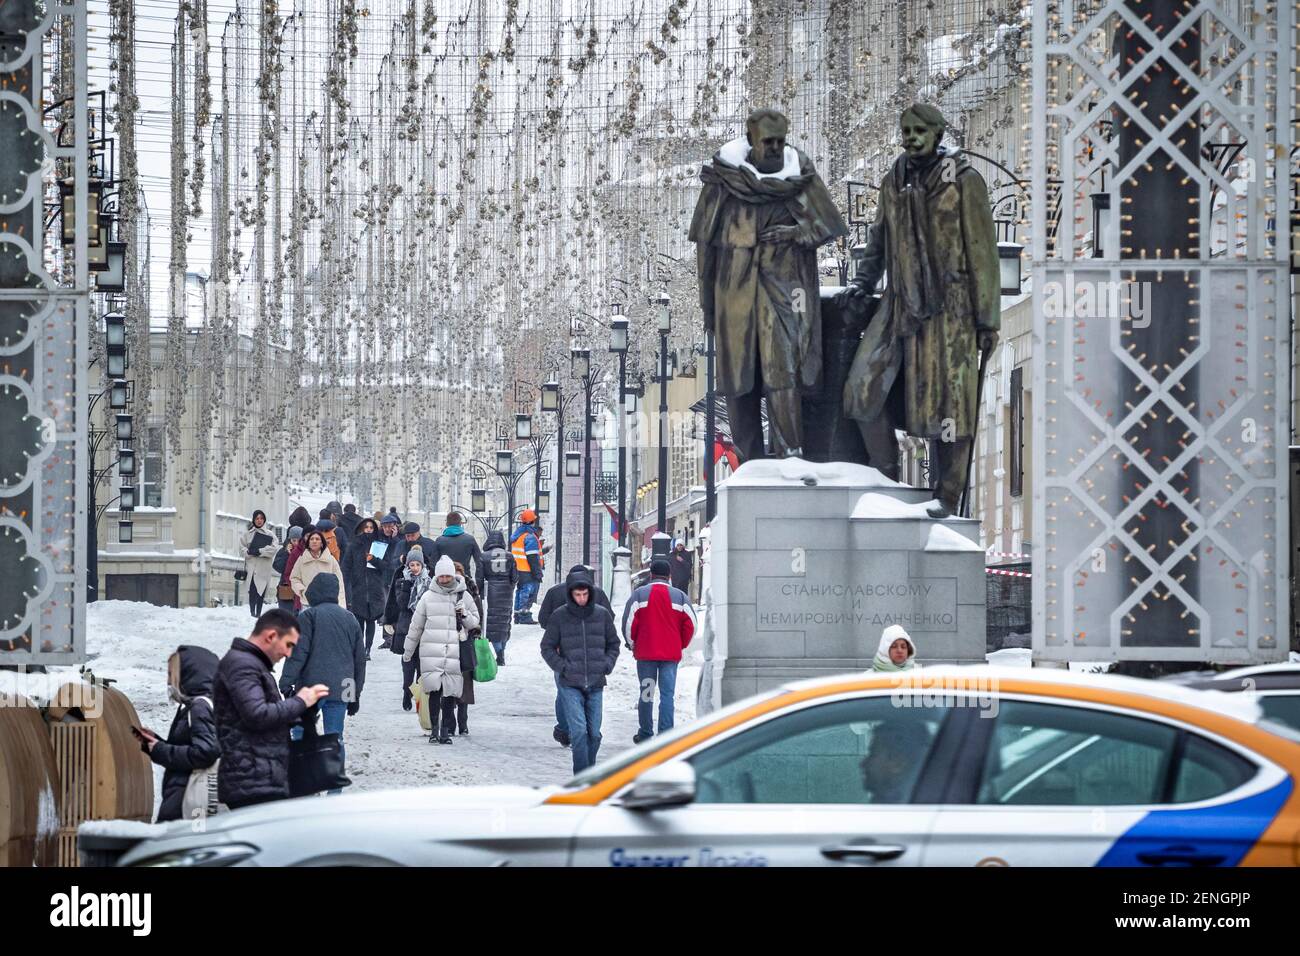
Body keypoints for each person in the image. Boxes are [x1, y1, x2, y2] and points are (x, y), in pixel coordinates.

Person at [840, 102, 1000, 516]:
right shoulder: (894, 179)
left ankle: (947, 496)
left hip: (953, 310)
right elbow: (879, 240)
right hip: (899, 304)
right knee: (862, 390)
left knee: (951, 409)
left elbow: (983, 253)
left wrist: (987, 319)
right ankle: (887, 481)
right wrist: (862, 281)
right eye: (905, 130)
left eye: (918, 130)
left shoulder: (964, 181)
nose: (910, 137)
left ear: (937, 133)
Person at [688, 107, 848, 461]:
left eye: (779, 141)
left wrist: (797, 232)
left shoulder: (799, 175)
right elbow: (706, 248)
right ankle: (749, 461)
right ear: (751, 141)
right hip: (735, 292)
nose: (775, 148)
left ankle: (788, 452)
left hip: (787, 290)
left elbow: (831, 225)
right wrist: (708, 305)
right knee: (738, 382)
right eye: (767, 142)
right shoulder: (723, 181)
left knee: (783, 369)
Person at [213, 609, 329, 810]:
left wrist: (301, 713)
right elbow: (257, 715)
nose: (288, 653)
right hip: (251, 780)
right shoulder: (242, 665)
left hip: (258, 777)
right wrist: (300, 701)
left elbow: (257, 715)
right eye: (288, 645)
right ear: (271, 636)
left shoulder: (251, 664)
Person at [279, 574, 366, 793]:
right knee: (335, 737)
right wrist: (354, 694)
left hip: (311, 687)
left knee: (301, 735)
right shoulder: (350, 618)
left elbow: (299, 653)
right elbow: (359, 661)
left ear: (314, 592)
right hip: (342, 687)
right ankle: (334, 789)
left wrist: (286, 683)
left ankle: (306, 784)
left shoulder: (309, 617)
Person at [541, 569, 620, 774]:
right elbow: (547, 646)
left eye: (585, 594)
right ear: (571, 593)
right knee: (578, 732)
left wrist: (607, 664)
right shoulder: (560, 616)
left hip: (596, 681)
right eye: (577, 594)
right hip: (570, 682)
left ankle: (589, 772)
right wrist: (562, 666)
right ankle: (582, 778)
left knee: (594, 734)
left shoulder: (601, 615)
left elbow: (613, 643)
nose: (581, 598)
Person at [138, 645, 220, 823]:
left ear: (187, 674)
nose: (169, 682)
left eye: (171, 674)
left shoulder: (199, 707)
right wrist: (157, 743)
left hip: (187, 799)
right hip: (185, 797)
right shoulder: (199, 706)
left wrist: (160, 749)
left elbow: (206, 752)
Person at [403, 555, 479, 744]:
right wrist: (408, 651)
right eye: (441, 576)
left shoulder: (464, 596)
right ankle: (435, 730)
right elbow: (416, 626)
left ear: (452, 575)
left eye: (447, 576)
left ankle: (445, 730)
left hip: (454, 651)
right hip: (431, 651)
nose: (444, 579)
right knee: (434, 692)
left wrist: (464, 614)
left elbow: (474, 622)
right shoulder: (428, 598)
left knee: (450, 693)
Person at [622, 558, 696, 744]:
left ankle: (646, 732)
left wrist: (633, 644)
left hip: (646, 655)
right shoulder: (679, 597)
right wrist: (680, 644)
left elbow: (629, 624)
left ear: (651, 574)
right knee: (667, 695)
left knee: (647, 693)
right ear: (669, 575)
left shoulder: (639, 595)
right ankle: (666, 734)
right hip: (670, 655)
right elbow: (691, 625)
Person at [385, 545, 432, 711]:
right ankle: (407, 691)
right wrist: (406, 586)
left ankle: (419, 698)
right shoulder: (401, 581)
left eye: (418, 565)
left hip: (424, 629)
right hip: (406, 627)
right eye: (412, 565)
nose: (415, 568)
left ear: (422, 565)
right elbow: (401, 604)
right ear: (407, 566)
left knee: (421, 667)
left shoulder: (429, 581)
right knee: (407, 665)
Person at [340, 516, 390, 660]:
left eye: (371, 528)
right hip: (358, 588)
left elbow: (385, 566)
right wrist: (347, 587)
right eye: (366, 527)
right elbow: (346, 568)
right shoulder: (353, 546)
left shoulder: (379, 545)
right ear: (361, 529)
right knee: (359, 621)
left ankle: (368, 649)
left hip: (374, 589)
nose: (368, 530)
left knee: (371, 620)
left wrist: (373, 559)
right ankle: (360, 648)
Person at [453, 560, 483, 736]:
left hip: (466, 642)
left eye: (458, 573)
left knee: (465, 685)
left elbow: (477, 616)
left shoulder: (469, 591)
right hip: (449, 643)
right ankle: (448, 722)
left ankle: (463, 722)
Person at [480, 530, 515, 665]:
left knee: (492, 623)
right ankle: (501, 652)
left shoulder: (484, 556)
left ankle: (499, 654)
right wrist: (509, 587)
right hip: (506, 592)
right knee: (503, 622)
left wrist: (480, 592)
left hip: (490, 593)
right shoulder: (510, 556)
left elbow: (479, 577)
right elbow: (515, 577)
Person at [290, 528, 347, 609]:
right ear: (308, 543)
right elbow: (294, 578)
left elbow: (339, 583)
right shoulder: (302, 559)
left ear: (322, 543)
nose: (314, 541)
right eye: (312, 539)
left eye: (317, 539)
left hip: (328, 604)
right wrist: (302, 591)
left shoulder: (331, 560)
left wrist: (341, 605)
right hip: (307, 604)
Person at [432, 511, 484, 595]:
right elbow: (479, 563)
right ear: (460, 524)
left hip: (444, 584)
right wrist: (479, 584)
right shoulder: (470, 539)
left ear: (447, 524)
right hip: (465, 581)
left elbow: (433, 564)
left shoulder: (439, 541)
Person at [238, 511, 278, 618]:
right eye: (257, 518)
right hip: (251, 568)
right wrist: (248, 552)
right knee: (252, 591)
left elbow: (274, 549)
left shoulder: (270, 535)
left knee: (261, 591)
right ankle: (252, 613)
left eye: (261, 518)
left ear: (264, 520)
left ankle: (259, 613)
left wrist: (260, 551)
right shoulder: (247, 534)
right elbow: (241, 548)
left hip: (263, 569)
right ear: (253, 520)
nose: (259, 521)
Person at [510, 509, 545, 624]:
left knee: (520, 591)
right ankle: (524, 616)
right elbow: (532, 558)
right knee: (528, 592)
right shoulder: (529, 536)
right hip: (527, 569)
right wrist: (538, 573)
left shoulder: (518, 535)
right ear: (533, 521)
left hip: (518, 569)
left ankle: (518, 615)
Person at [272, 526, 306, 612]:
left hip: (302, 587)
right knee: (286, 615)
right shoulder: (283, 551)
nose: (296, 543)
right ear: (289, 539)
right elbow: (277, 567)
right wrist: (287, 554)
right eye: (294, 540)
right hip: (286, 587)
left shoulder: (306, 551)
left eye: (299, 540)